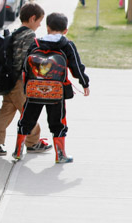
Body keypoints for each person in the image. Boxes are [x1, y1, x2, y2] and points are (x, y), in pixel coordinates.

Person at [13, 13, 90, 164]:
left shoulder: (35, 43)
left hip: (34, 91)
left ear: (47, 28)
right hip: (56, 93)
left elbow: (25, 67)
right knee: (58, 122)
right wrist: (84, 83)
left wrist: (28, 86)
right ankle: (60, 154)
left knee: (26, 119)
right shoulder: (67, 45)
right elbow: (77, 67)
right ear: (65, 30)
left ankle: (17, 151)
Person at [0, 2, 52, 156]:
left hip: (10, 80)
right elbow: (27, 60)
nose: (40, 25)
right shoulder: (29, 35)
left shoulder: (15, 32)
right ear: (33, 18)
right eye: (39, 21)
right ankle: (33, 142)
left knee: (6, 110)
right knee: (29, 112)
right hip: (20, 82)